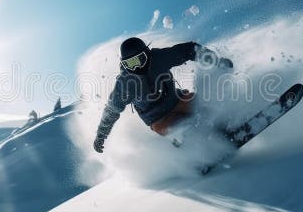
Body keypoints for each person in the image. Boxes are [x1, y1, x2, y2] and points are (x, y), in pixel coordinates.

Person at [93, 37, 233, 153]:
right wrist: (101, 135)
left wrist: (215, 61)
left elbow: (189, 50)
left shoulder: (159, 58)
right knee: (182, 132)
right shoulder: (125, 83)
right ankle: (196, 156)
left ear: (147, 53)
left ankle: (225, 129)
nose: (136, 67)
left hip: (178, 100)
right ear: (124, 64)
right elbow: (111, 111)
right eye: (130, 64)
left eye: (139, 60)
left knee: (203, 105)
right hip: (158, 119)